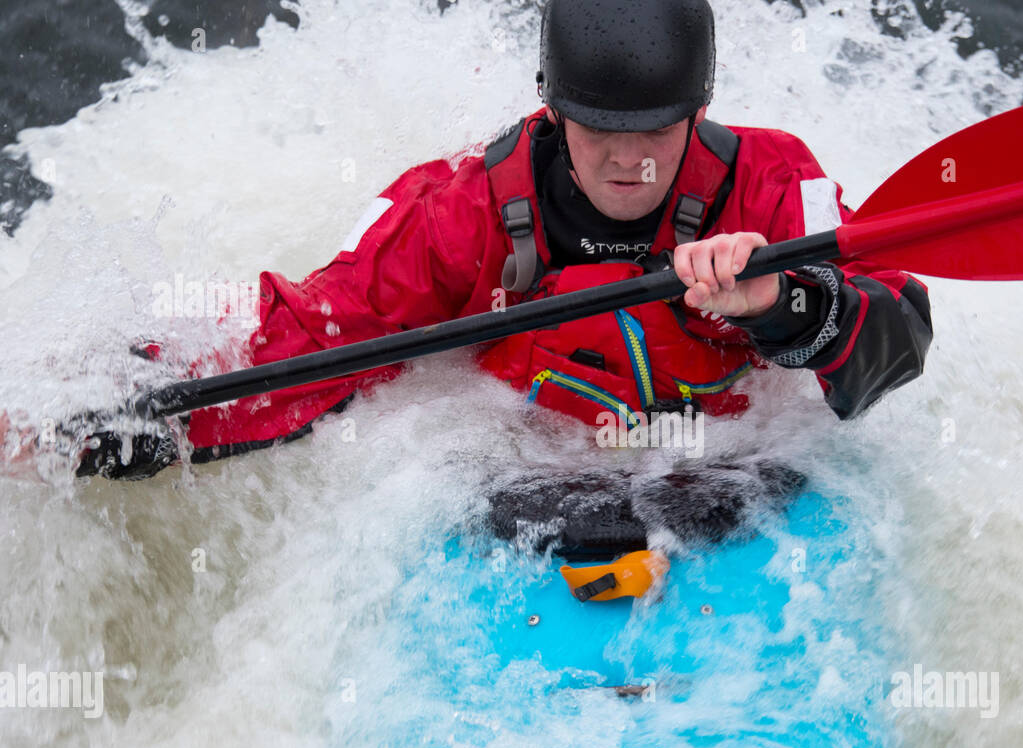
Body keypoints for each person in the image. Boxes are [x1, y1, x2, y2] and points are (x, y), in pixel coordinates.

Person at [69, 0, 932, 480]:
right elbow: (318, 334)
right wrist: (102, 417)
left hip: (730, 467)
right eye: (600, 130)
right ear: (555, 109)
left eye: (659, 131)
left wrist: (781, 303)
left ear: (698, 110)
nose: (629, 162)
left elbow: (898, 337)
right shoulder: (465, 208)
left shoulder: (773, 187)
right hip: (531, 476)